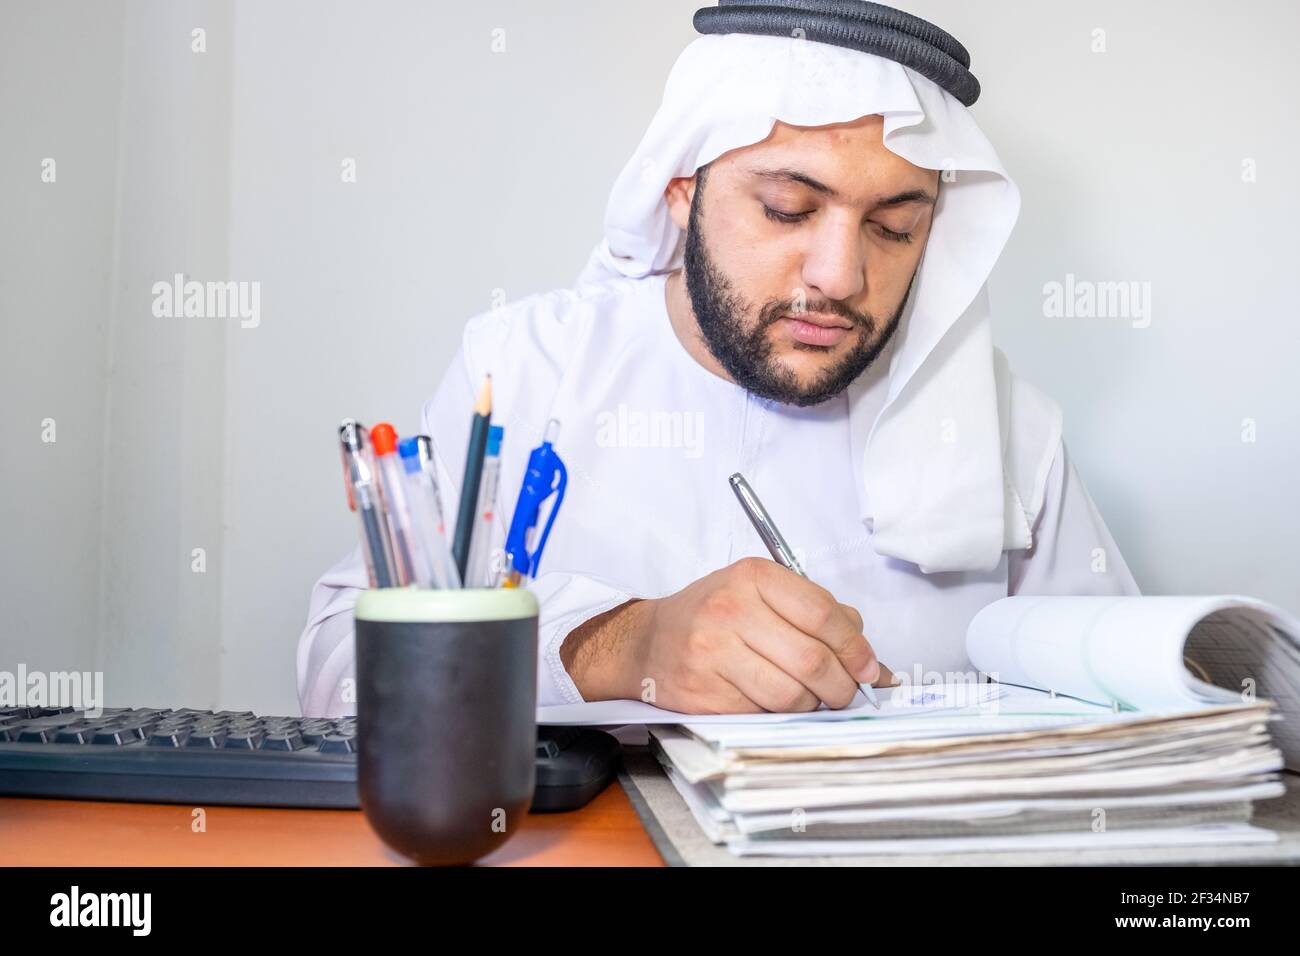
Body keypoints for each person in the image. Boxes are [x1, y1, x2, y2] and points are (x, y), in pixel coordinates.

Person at [297, 2, 1140, 719]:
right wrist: (618, 646)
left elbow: (1129, 696)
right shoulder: (525, 365)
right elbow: (337, 670)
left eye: (893, 227)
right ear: (681, 192)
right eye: (786, 208)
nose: (840, 276)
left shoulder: (1002, 425)